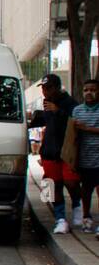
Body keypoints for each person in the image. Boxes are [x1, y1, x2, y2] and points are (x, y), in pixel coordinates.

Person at [29, 73, 82, 234]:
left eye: (49, 88)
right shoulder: (46, 104)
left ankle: (77, 206)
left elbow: (76, 123)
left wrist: (59, 111)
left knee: (71, 182)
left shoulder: (70, 103)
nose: (45, 92)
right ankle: (60, 219)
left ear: (58, 88)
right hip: (49, 153)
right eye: (44, 88)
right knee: (52, 185)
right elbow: (45, 124)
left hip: (67, 152)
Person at [71, 78, 99, 234]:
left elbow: (85, 128)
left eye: (93, 90)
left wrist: (86, 128)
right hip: (84, 157)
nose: (89, 93)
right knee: (86, 190)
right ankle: (86, 217)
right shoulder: (77, 110)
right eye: (86, 90)